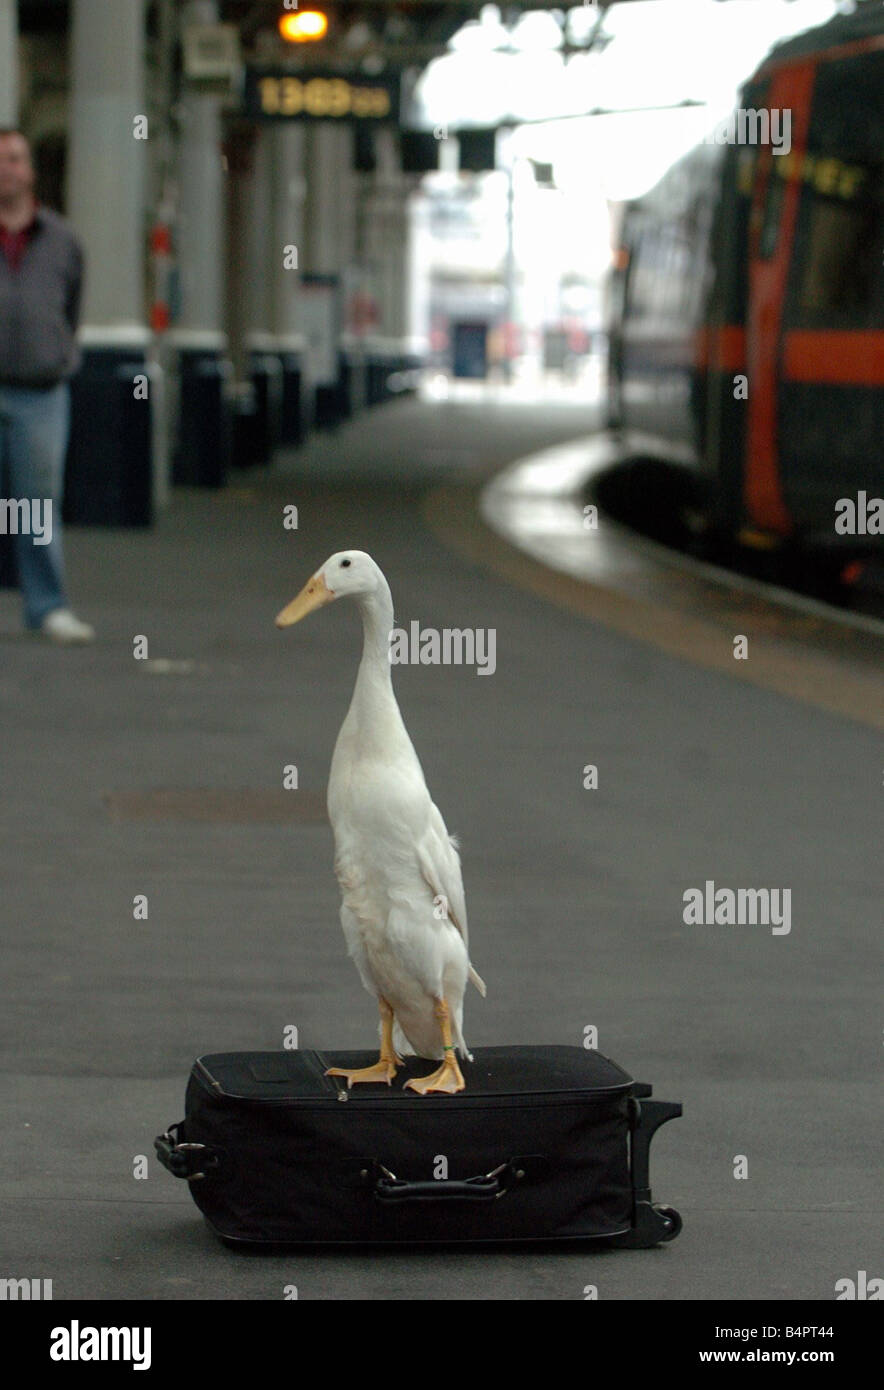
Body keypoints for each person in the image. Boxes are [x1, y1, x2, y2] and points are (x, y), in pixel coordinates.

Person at [0, 127, 94, 643]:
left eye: (16, 158)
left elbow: (71, 308)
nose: (7, 168)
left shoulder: (62, 241)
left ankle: (47, 605)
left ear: (30, 170)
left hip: (40, 392)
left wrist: (54, 352)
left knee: (35, 504)